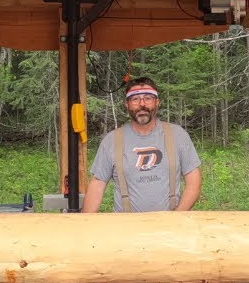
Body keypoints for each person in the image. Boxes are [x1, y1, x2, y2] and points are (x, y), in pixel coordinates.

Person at [81, 77, 202, 213]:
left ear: (157, 102)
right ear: (127, 104)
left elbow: (194, 182)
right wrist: (85, 224)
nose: (142, 104)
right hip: (126, 227)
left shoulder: (177, 135)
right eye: (135, 99)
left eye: (148, 98)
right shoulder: (111, 140)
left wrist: (177, 217)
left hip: (170, 227)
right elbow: (97, 184)